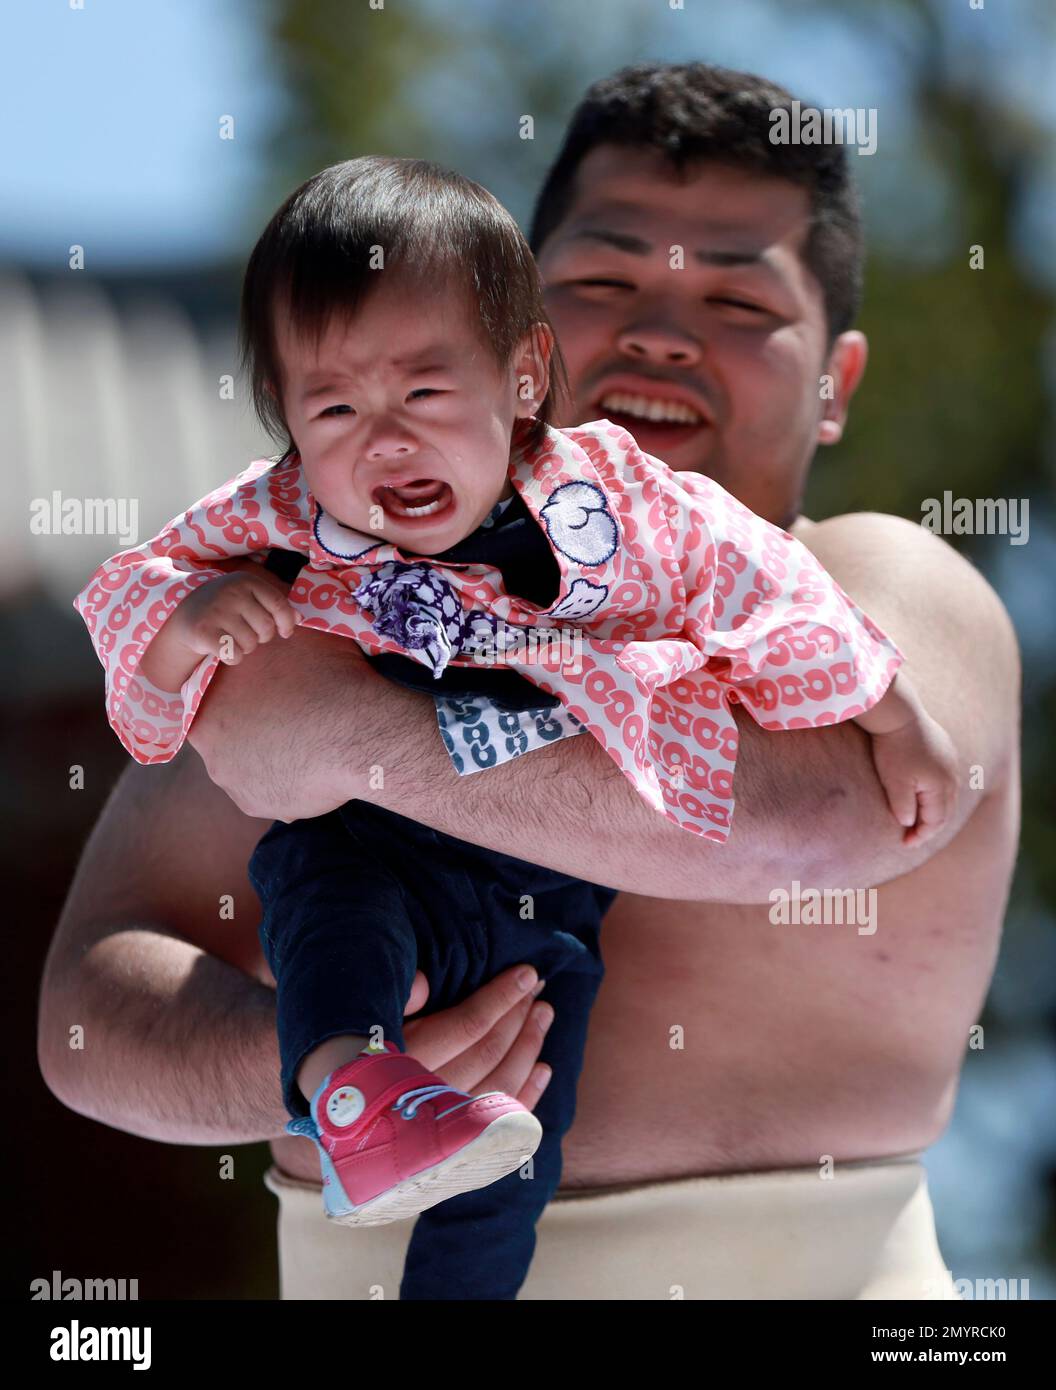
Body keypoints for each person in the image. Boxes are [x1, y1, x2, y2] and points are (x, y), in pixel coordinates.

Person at [40, 62, 1019, 1300]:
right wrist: (318, 1065)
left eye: (739, 300)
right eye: (606, 280)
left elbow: (830, 818)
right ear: (519, 341)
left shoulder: (884, 579)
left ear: (837, 384)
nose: (664, 331)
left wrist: (365, 736)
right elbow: (89, 1004)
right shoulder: (324, 586)